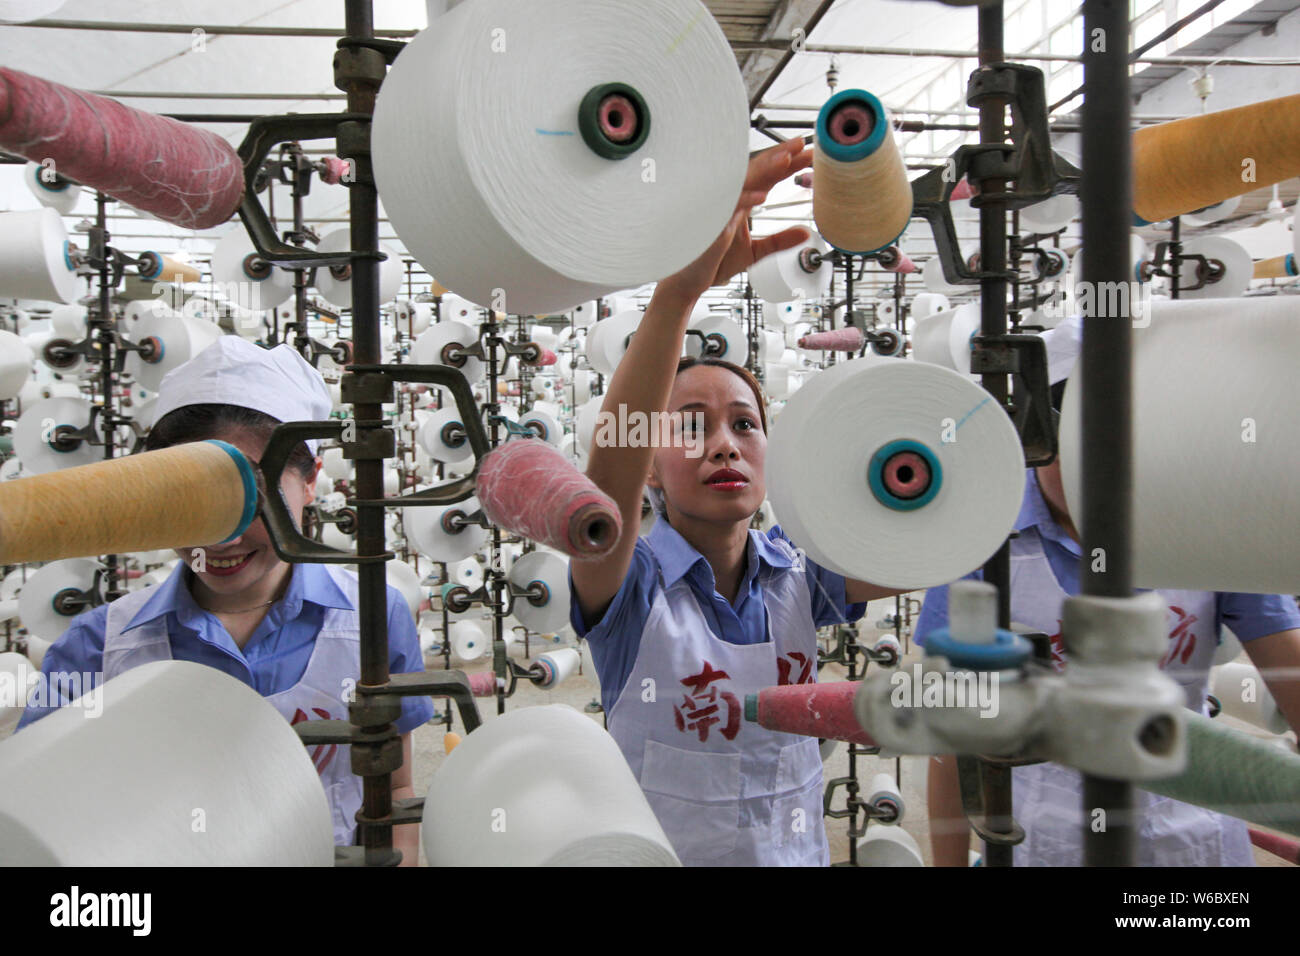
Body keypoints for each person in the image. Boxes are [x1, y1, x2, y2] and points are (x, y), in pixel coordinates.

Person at [569, 138, 903, 866]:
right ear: (650, 468)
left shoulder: (801, 578)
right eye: (690, 427)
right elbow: (603, 497)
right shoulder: (628, 591)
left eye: (744, 425)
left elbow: (935, 545)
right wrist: (676, 296)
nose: (723, 445)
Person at [17, 337, 433, 863]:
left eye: (251, 499)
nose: (221, 538)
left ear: (309, 482)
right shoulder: (98, 648)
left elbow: (394, 791)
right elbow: (44, 812)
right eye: (190, 502)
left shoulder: (373, 618)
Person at [921, 373, 1300, 867]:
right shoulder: (982, 544)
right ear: (1037, 445)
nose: (1098, 481)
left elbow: (1291, 675)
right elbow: (950, 738)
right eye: (1078, 456)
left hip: (1190, 832)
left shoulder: (1209, 528)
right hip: (1043, 832)